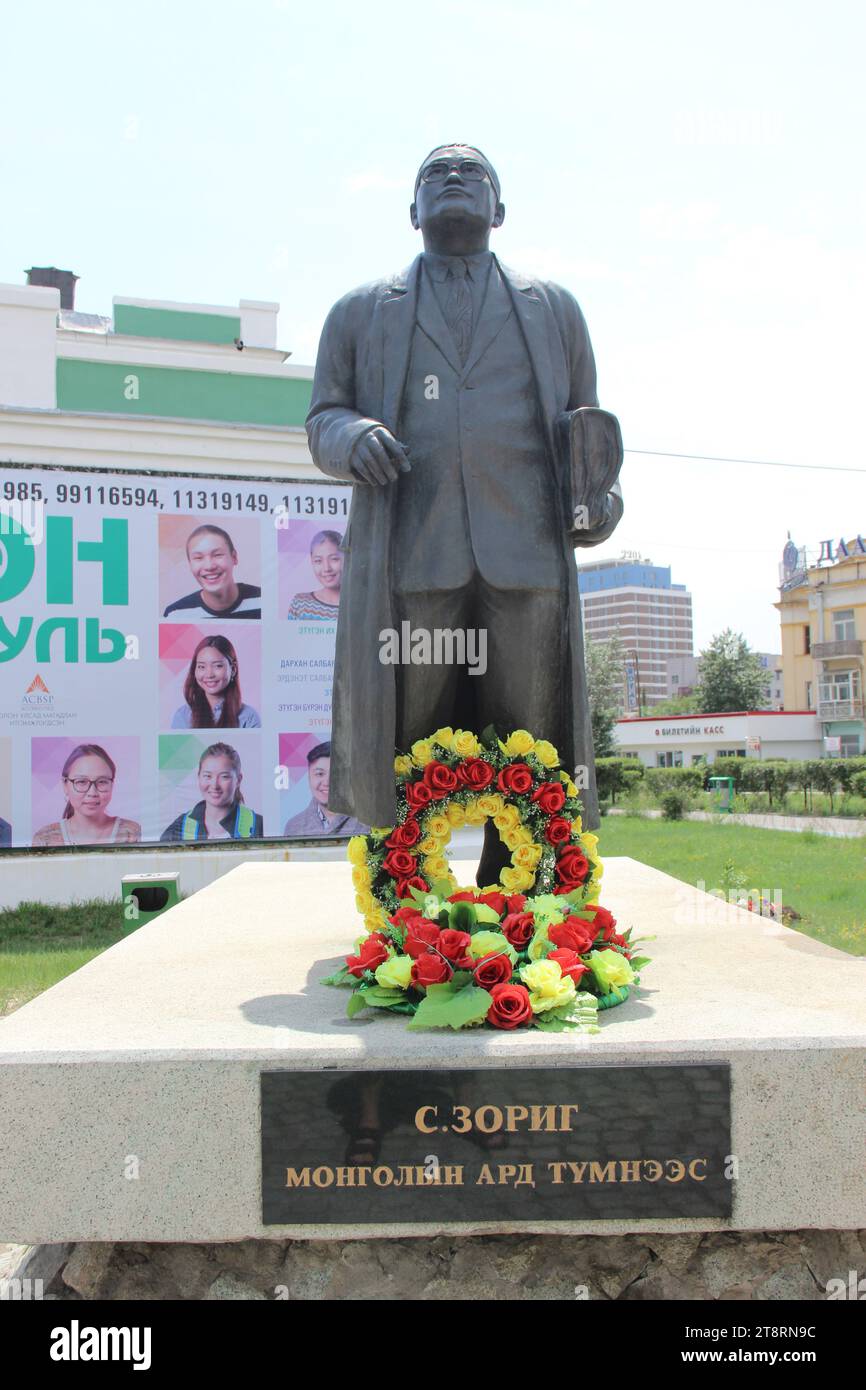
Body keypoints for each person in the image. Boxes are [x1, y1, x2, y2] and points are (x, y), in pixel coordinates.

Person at [306, 144, 623, 883]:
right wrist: (351, 436)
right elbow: (323, 416)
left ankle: (526, 898)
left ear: (499, 211)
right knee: (414, 739)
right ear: (413, 211)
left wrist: (599, 502)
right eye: (434, 175)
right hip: (417, 561)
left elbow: (588, 433)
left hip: (528, 560)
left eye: (473, 173)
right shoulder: (359, 312)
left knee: (531, 742)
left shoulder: (555, 310)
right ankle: (407, 897)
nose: (454, 178)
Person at [33, 744, 141, 846]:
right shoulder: (45, 838)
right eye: (81, 782)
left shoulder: (131, 833)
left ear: (112, 784)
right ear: (65, 785)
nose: (92, 793)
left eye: (102, 782)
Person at [160, 742, 263, 841]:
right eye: (208, 776)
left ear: (238, 780)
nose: (215, 785)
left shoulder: (259, 827)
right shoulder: (178, 830)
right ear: (199, 777)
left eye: (224, 777)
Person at [163, 524, 261, 620]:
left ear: (234, 557)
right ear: (190, 565)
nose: (209, 566)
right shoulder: (175, 614)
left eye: (217, 555)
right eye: (198, 558)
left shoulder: (263, 600)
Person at [171, 635, 261, 728]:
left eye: (218, 666)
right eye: (202, 667)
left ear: (233, 670)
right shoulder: (182, 717)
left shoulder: (249, 718)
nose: (209, 675)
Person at [282, 741, 367, 837]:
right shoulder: (294, 827)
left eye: (335, 774)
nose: (327, 782)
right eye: (319, 774)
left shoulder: (368, 821)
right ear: (309, 777)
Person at [287, 530, 344, 620]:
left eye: (334, 559)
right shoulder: (301, 603)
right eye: (318, 561)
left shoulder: (361, 604)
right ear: (311, 561)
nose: (326, 568)